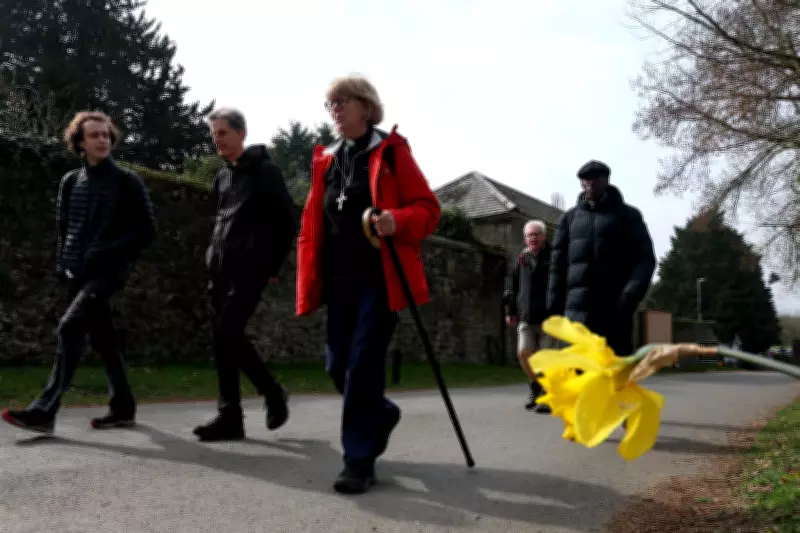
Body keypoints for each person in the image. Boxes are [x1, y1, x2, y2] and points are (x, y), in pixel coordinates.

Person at [296, 75, 440, 494]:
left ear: (365, 106)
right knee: (336, 366)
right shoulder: (327, 158)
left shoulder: (391, 152)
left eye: (341, 101)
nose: (335, 109)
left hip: (380, 280)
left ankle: (358, 461)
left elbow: (428, 209)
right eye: (329, 104)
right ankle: (380, 413)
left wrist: (399, 220)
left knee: (361, 364)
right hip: (339, 281)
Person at [1, 111, 156, 433]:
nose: (102, 140)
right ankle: (123, 406)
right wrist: (63, 264)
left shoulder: (127, 181)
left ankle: (44, 411)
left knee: (69, 328)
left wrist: (105, 251)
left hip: (107, 273)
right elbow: (64, 228)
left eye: (105, 135)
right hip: (75, 273)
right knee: (104, 339)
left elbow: (146, 230)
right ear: (80, 142)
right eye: (94, 135)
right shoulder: (71, 181)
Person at [192, 107, 296, 442]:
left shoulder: (266, 172)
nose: (217, 140)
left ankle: (271, 392)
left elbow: (286, 223)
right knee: (223, 341)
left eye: (223, 132)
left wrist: (273, 267)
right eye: (214, 134)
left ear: (241, 133)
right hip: (219, 271)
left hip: (251, 271)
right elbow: (221, 223)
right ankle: (230, 418)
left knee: (227, 332)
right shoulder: (222, 178)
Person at [547, 160, 656, 356]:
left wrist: (629, 296)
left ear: (606, 180)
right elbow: (557, 266)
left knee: (611, 380)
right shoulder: (568, 219)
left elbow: (645, 259)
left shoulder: (628, 215)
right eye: (585, 180)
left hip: (613, 315)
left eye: (595, 179)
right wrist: (554, 308)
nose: (590, 184)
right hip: (575, 317)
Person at [503, 220, 554, 413]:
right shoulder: (522, 258)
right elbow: (512, 286)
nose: (533, 238)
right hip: (526, 316)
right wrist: (510, 311)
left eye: (536, 234)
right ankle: (536, 386)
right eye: (529, 235)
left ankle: (547, 397)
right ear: (525, 238)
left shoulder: (554, 257)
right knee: (523, 353)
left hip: (548, 318)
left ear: (544, 236)